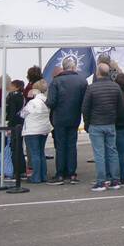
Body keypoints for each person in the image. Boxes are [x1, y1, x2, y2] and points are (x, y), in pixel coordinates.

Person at [83, 61, 124, 191]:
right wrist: (114, 118)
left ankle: (101, 181)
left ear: (97, 73)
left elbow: (85, 108)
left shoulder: (91, 88)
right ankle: (115, 180)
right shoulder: (115, 87)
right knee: (112, 152)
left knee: (99, 154)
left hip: (96, 124)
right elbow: (121, 107)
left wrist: (87, 122)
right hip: (110, 123)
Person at [46, 56, 88, 185]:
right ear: (74, 67)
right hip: (74, 117)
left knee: (60, 146)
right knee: (71, 145)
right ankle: (71, 173)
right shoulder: (82, 81)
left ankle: (60, 174)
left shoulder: (55, 82)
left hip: (59, 117)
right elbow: (85, 101)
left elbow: (51, 102)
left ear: (63, 67)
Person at [21, 80, 51, 184]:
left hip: (32, 130)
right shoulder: (46, 101)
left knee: (34, 153)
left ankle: (36, 176)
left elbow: (23, 114)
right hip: (44, 129)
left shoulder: (33, 102)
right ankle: (43, 175)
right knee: (40, 152)